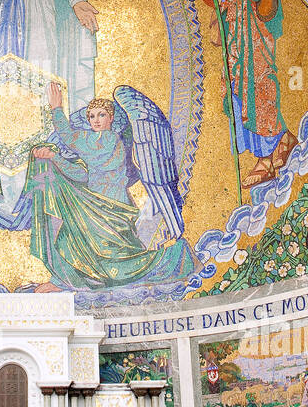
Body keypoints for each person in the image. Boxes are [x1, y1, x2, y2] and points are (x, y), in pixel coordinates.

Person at [150, 0, 296, 188]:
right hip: (232, 23)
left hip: (252, 14)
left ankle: (275, 148)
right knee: (239, 87)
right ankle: (267, 152)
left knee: (258, 77)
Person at [25, 82, 193, 291]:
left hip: (111, 202)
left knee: (114, 252)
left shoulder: (111, 140)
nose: (96, 120)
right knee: (72, 231)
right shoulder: (92, 139)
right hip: (94, 199)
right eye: (92, 116)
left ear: (111, 118)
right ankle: (73, 280)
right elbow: (82, 173)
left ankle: (174, 259)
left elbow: (74, 141)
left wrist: (57, 113)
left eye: (101, 115)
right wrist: (54, 155)